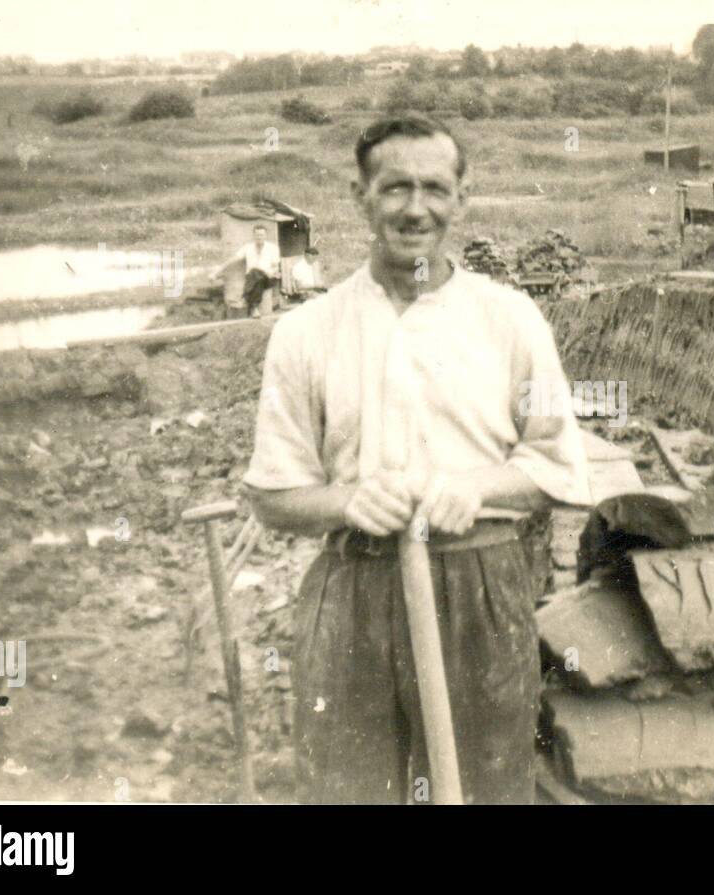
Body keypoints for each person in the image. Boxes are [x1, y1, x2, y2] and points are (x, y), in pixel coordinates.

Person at [242, 115, 591, 804]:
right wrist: (345, 501)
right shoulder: (306, 331)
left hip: (479, 587)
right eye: (395, 187)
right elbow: (272, 493)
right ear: (359, 196)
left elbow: (557, 465)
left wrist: (477, 484)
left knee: (484, 788)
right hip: (353, 591)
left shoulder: (511, 319)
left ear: (462, 197)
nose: (415, 207)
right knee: (347, 790)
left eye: (435, 188)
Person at [217, 223, 280, 318]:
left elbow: (276, 266)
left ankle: (244, 298)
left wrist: (272, 273)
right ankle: (254, 308)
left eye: (262, 235)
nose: (259, 237)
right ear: (254, 235)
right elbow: (234, 259)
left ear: (266, 236)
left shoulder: (273, 248)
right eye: (257, 235)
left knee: (257, 273)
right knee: (257, 277)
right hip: (255, 278)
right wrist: (218, 271)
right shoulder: (248, 247)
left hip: (269, 277)